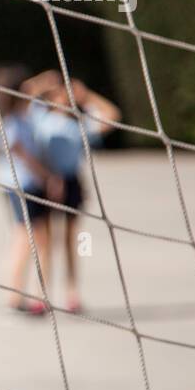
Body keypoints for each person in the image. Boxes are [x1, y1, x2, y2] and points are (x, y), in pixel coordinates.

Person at [24, 71, 120, 313]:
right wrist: (43, 83)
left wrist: (86, 95)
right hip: (44, 180)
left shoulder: (80, 122)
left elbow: (112, 116)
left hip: (71, 181)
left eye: (68, 93)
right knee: (44, 241)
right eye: (60, 93)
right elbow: (21, 95)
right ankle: (40, 294)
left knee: (71, 240)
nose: (64, 97)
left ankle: (72, 293)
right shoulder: (38, 117)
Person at [0, 64, 58, 314]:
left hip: (25, 187)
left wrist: (42, 81)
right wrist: (48, 177)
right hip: (23, 187)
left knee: (37, 241)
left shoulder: (22, 114)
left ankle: (32, 296)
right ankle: (17, 297)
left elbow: (29, 91)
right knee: (25, 241)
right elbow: (23, 155)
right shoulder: (10, 122)